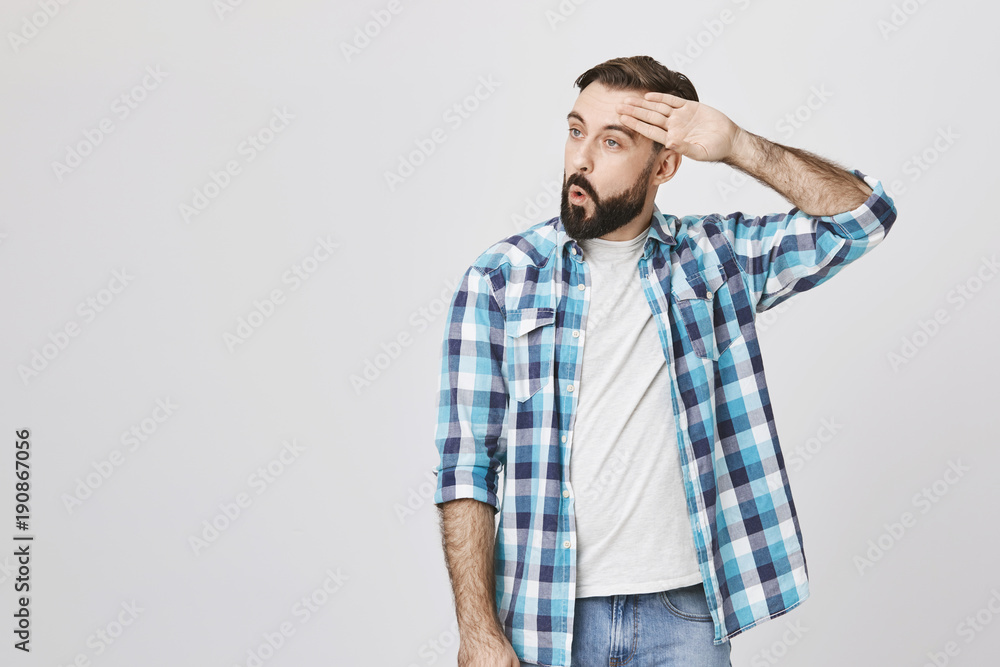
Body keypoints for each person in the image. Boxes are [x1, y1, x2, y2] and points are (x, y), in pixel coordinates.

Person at [431, 55, 897, 667]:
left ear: (665, 166)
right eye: (576, 132)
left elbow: (862, 220)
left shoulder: (715, 259)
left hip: (686, 615)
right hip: (547, 617)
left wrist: (738, 146)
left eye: (613, 142)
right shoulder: (501, 279)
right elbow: (465, 466)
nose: (582, 160)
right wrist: (478, 631)